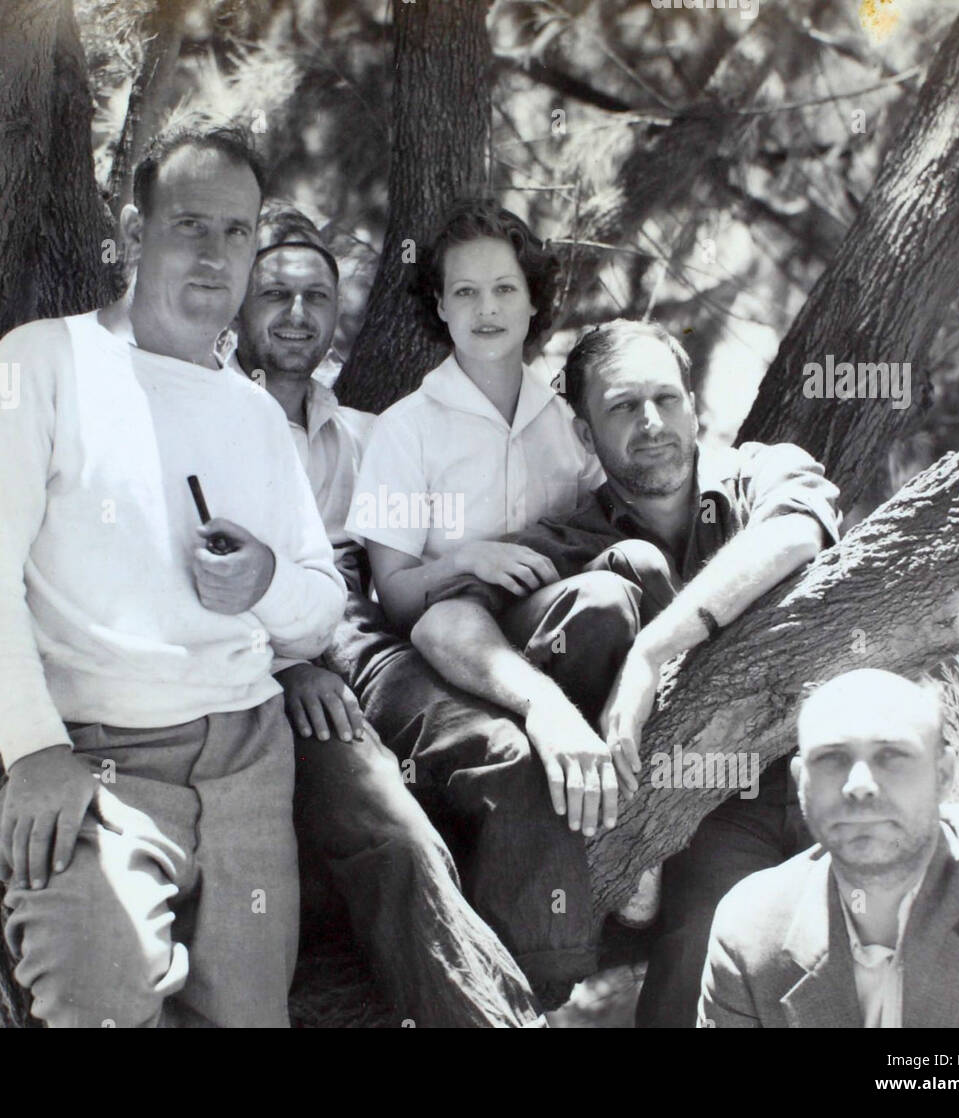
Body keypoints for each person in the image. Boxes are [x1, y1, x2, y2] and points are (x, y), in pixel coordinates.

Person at [0, 125, 345, 1028]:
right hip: (88, 766)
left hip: (247, 764)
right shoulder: (42, 362)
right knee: (97, 1002)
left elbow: (319, 610)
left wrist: (265, 580)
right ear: (132, 228)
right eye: (190, 225)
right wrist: (35, 750)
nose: (215, 255)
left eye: (237, 233)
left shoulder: (253, 414)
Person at [410, 317, 841, 1024]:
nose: (651, 422)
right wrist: (543, 705)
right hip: (698, 808)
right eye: (621, 407)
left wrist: (654, 651)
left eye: (666, 399)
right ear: (584, 435)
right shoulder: (574, 534)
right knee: (696, 976)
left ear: (693, 406)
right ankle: (628, 843)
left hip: (810, 764)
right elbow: (440, 622)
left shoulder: (760, 472)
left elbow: (797, 530)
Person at [228, 201, 543, 1026]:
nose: (298, 316)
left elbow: (402, 570)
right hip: (270, 660)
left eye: (317, 299)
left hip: (371, 643)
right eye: (275, 295)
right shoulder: (209, 425)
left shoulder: (371, 436)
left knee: (502, 754)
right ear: (238, 304)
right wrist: (287, 663)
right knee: (394, 838)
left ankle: (543, 971)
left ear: (340, 316)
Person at [327, 199, 609, 1006]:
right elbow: (395, 593)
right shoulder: (409, 427)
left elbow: (598, 536)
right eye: (464, 293)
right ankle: (537, 987)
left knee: (607, 608)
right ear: (438, 307)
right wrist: (467, 558)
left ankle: (622, 825)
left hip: (542, 640)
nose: (487, 310)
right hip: (434, 657)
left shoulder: (564, 421)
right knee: (512, 761)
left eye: (504, 290)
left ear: (533, 300)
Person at [699, 669, 959, 1028]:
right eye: (831, 758)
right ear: (800, 782)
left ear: (944, 774)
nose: (859, 785)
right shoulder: (749, 928)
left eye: (891, 756)